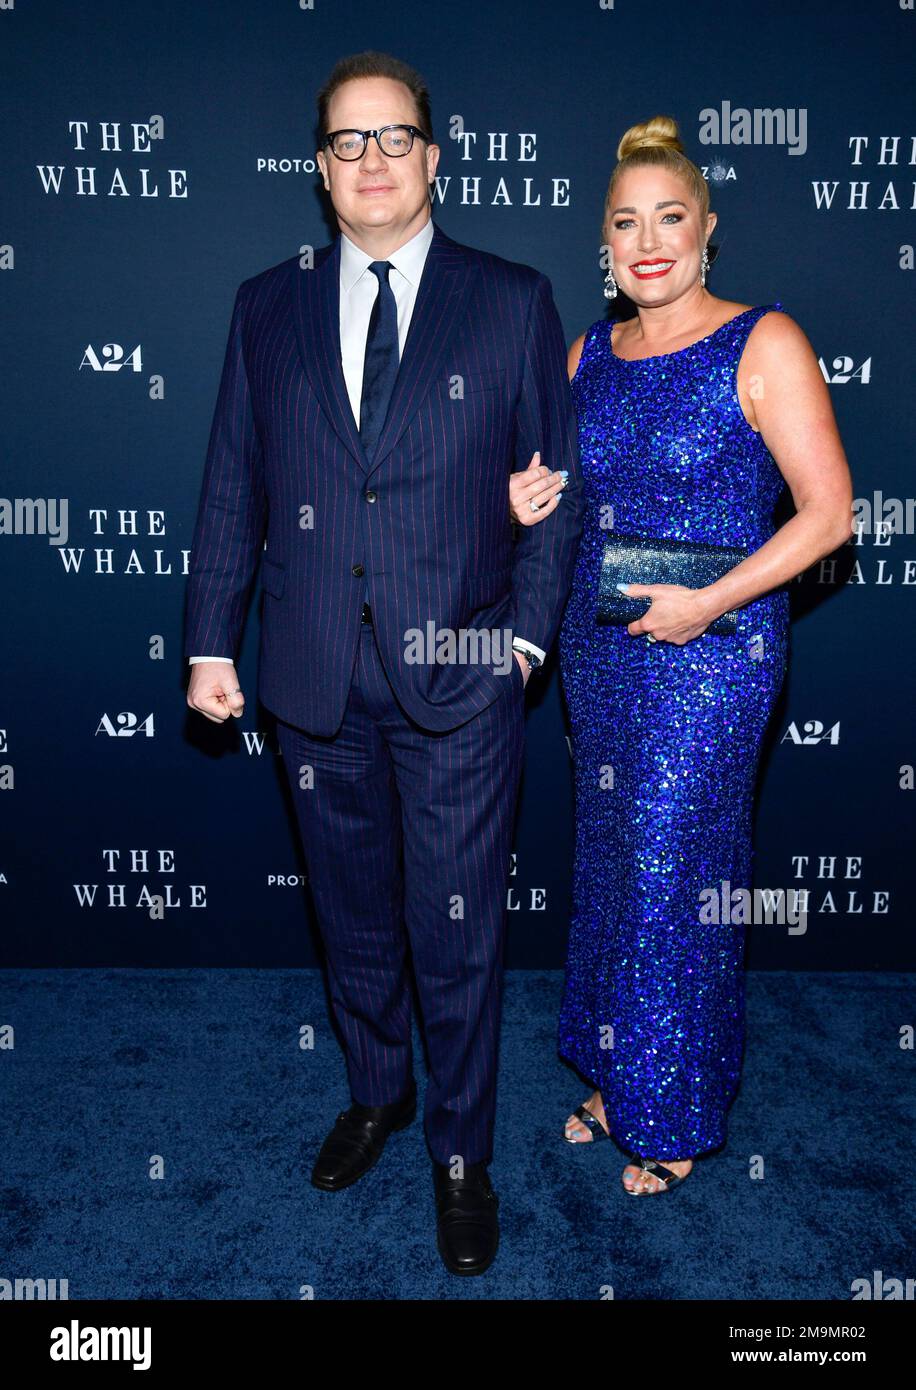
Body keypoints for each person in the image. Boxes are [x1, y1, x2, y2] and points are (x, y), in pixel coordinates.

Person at [184, 50, 583, 1272]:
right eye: (347, 142)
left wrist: (519, 641)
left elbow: (557, 491)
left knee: (455, 933)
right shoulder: (268, 302)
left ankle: (460, 1154)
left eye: (392, 138)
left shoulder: (510, 298)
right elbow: (231, 486)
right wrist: (209, 637)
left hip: (459, 675)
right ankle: (378, 1091)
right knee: (352, 920)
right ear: (320, 168)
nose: (370, 160)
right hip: (308, 680)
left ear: (434, 156)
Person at [510, 115, 852, 1195]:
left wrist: (710, 603)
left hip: (715, 653)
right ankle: (619, 1070)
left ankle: (676, 1111)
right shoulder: (581, 354)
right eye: (625, 221)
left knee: (676, 869)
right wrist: (528, 499)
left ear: (709, 228)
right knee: (615, 860)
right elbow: (564, 503)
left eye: (670, 217)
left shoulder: (764, 341)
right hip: (601, 648)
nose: (647, 239)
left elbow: (829, 514)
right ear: (601, 242)